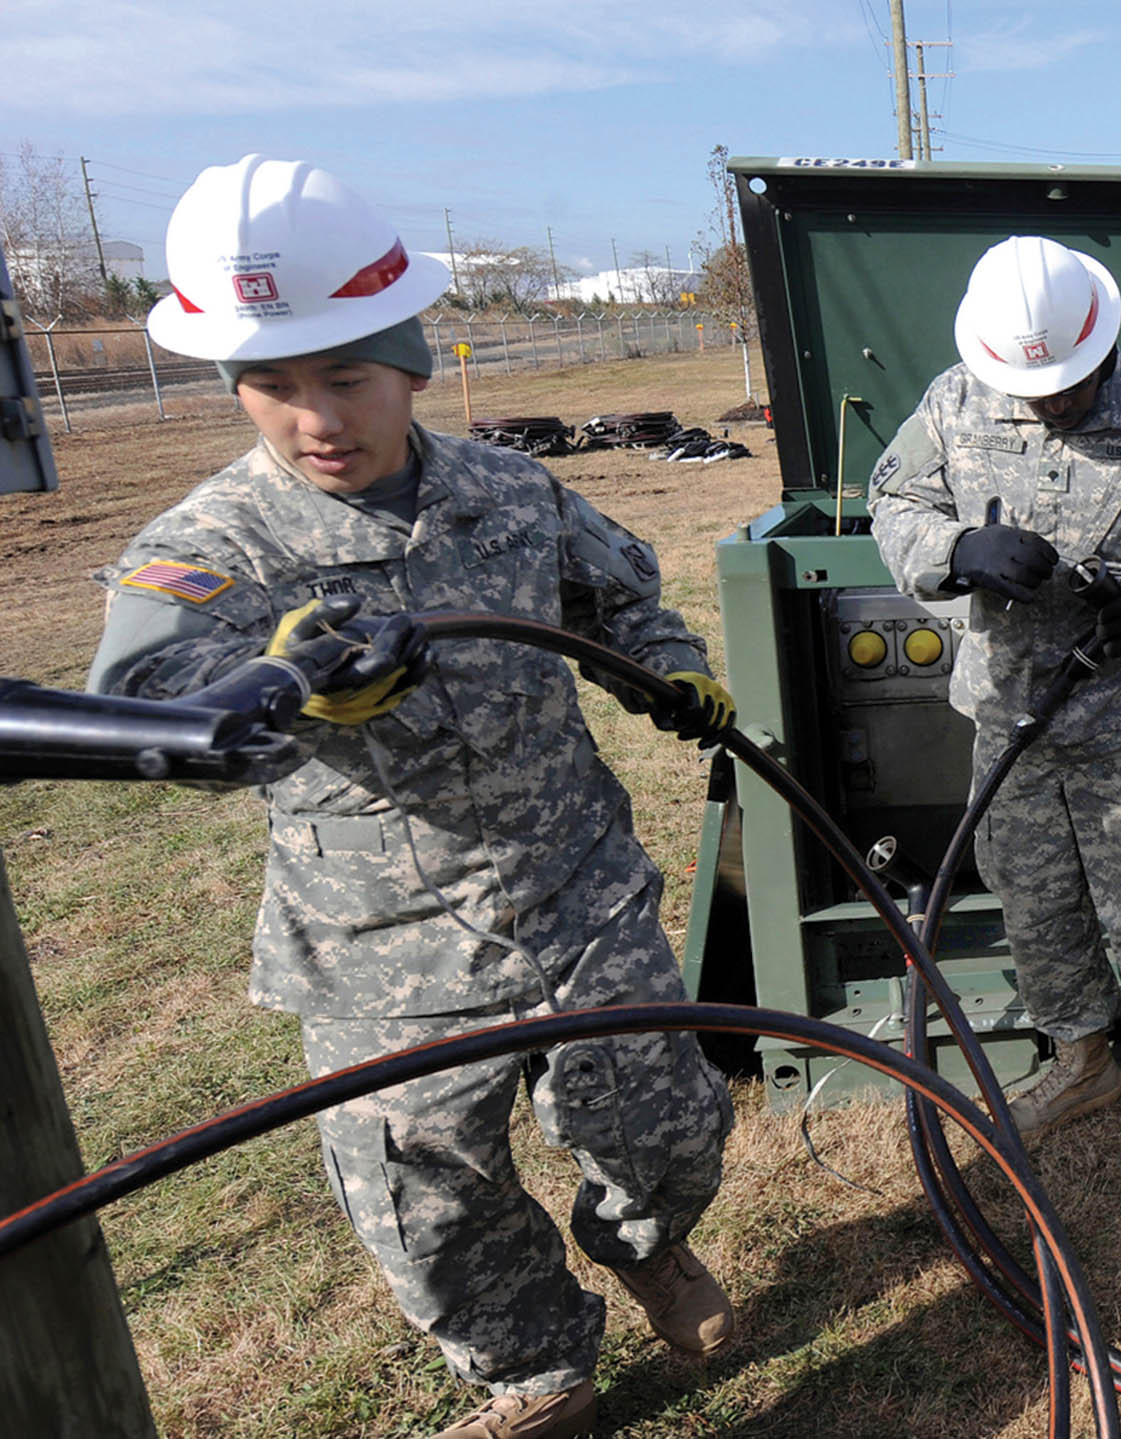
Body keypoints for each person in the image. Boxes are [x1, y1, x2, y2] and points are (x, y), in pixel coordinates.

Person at [89, 156, 739, 1439]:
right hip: (381, 944)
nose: (312, 417)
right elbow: (146, 690)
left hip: (577, 887)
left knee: (661, 1119)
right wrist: (272, 681)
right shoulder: (214, 540)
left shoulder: (512, 489)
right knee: (424, 1190)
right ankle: (538, 1375)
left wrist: (669, 672)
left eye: (344, 377)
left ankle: (646, 1239)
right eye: (271, 385)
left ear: (411, 366)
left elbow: (622, 593)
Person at [866, 235, 1121, 1210]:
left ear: (1100, 345)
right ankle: (1081, 1057)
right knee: (1035, 900)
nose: (1050, 401)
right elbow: (894, 500)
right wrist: (959, 545)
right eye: (1033, 386)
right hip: (1011, 712)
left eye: (1068, 383)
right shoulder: (954, 402)